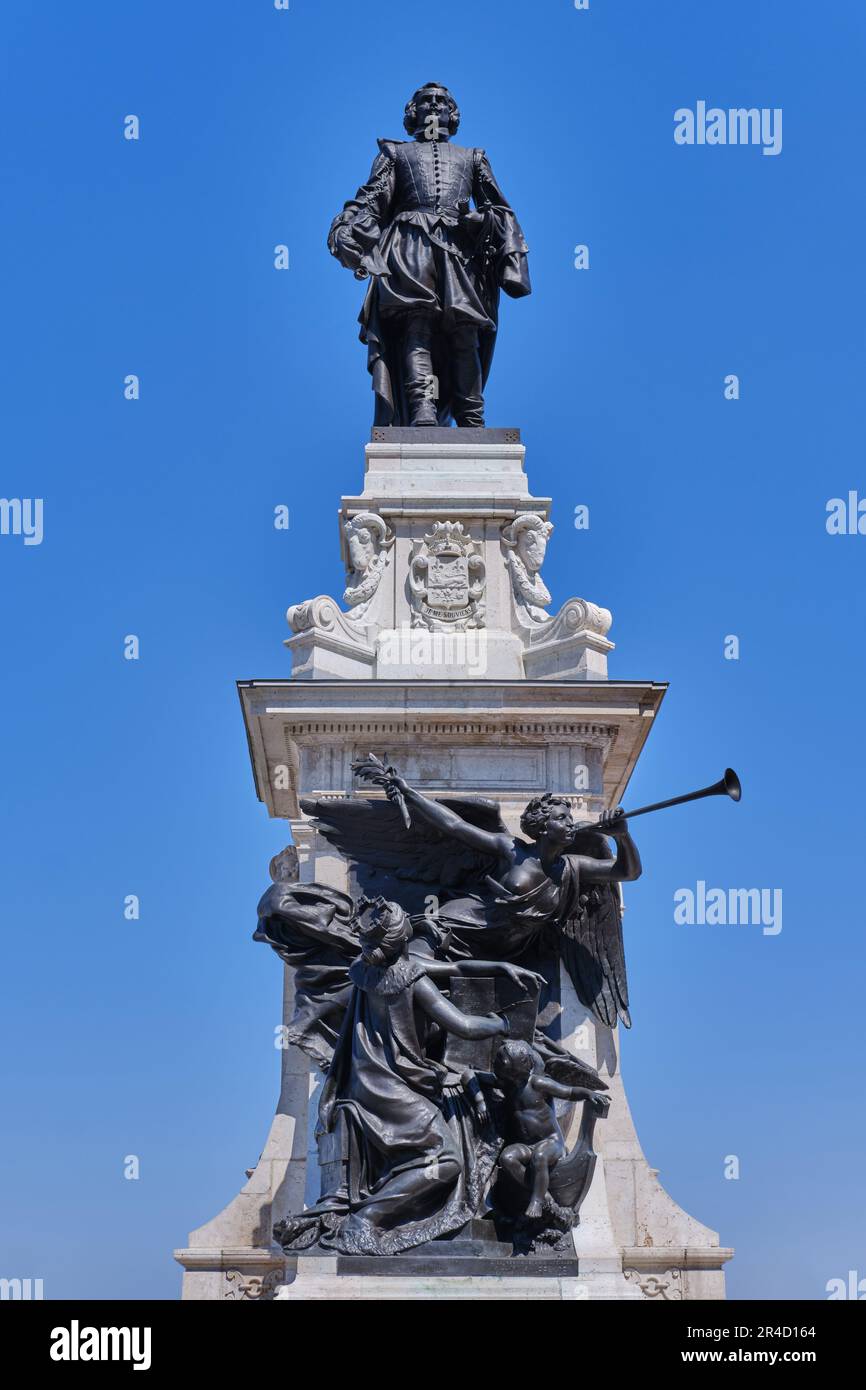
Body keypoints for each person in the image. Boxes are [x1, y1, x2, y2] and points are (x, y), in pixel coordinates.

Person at [328, 82, 530, 427]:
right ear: (413, 112)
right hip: (409, 247)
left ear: (453, 114)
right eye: (425, 101)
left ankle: (471, 417)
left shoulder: (473, 158)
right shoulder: (396, 154)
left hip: (459, 253)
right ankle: (423, 409)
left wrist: (478, 219)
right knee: (415, 326)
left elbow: (500, 210)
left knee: (465, 331)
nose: (434, 106)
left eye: (441, 101)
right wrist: (347, 228)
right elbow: (372, 202)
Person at [491, 1040, 609, 1218]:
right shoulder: (507, 1086)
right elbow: (471, 1076)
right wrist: (477, 1098)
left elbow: (568, 1092)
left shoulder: (537, 1083)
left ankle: (537, 1201)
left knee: (540, 1156)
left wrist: (589, 1094)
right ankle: (540, 1191)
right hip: (526, 1145)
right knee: (507, 1158)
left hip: (551, 1142)